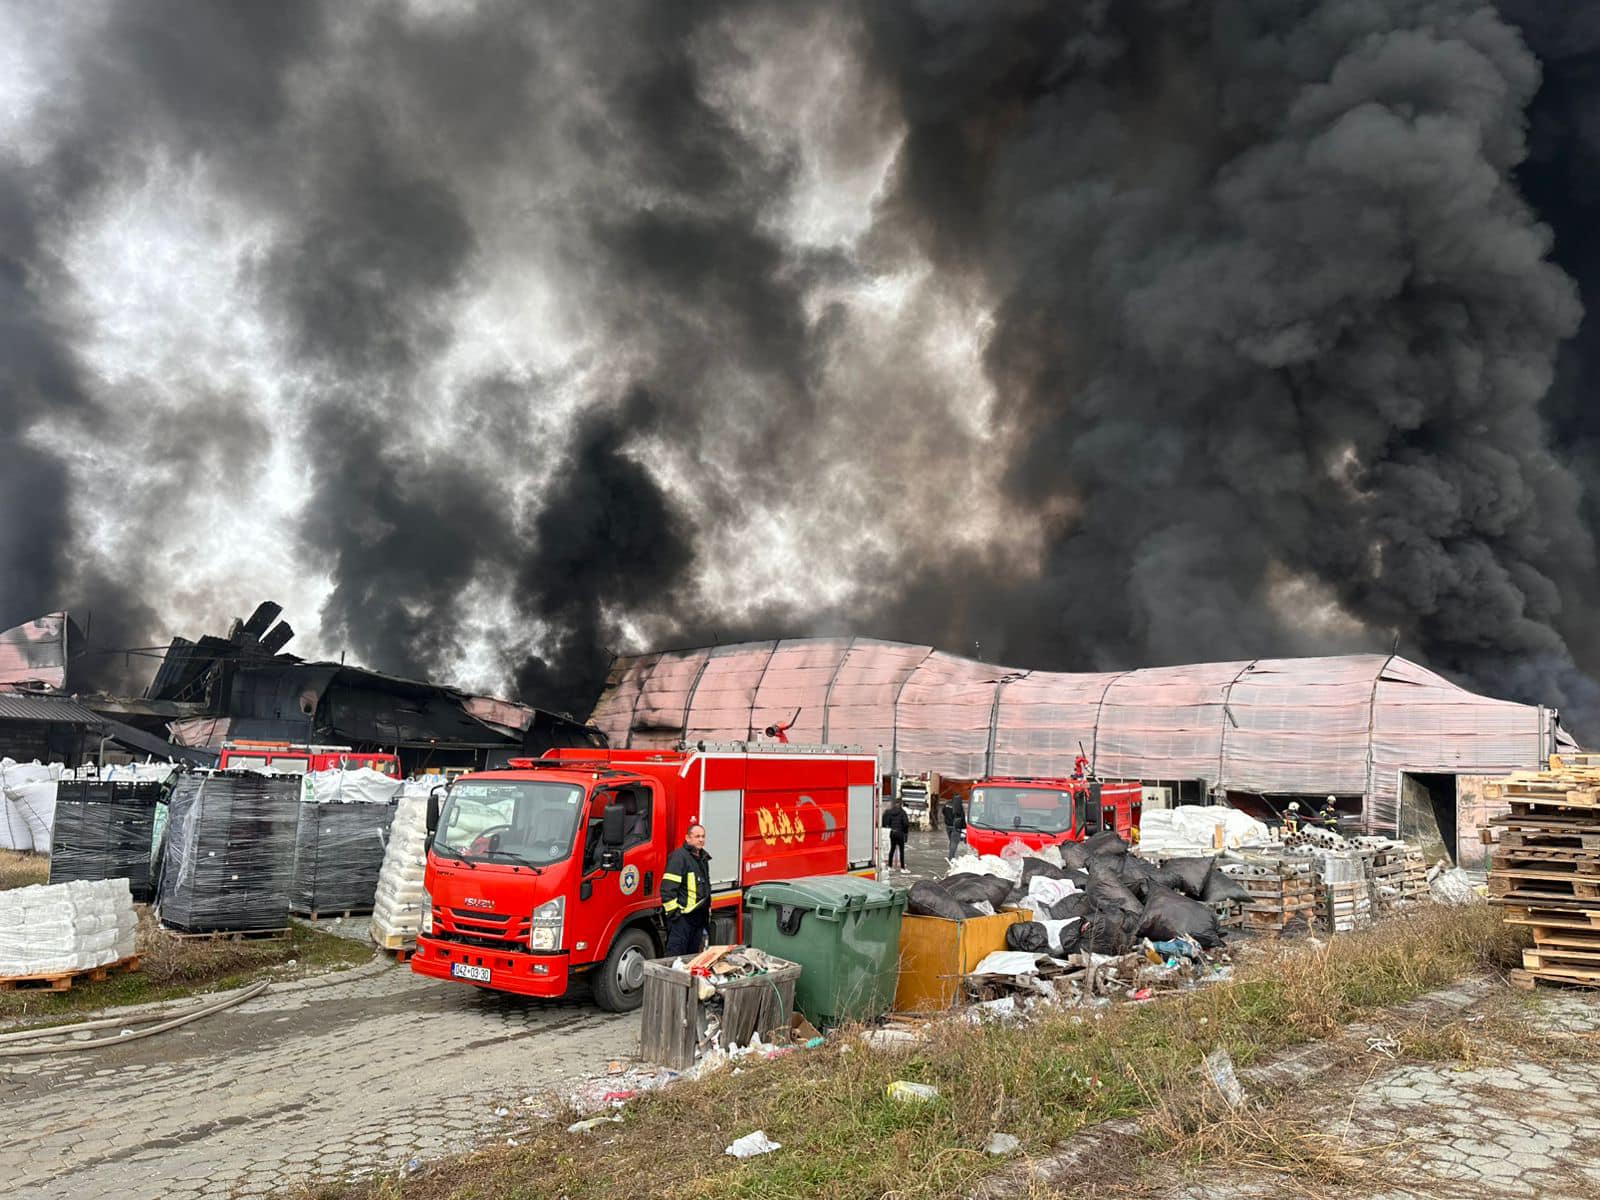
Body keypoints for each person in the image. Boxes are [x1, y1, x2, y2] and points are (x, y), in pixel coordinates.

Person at [662, 824, 712, 956]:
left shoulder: (702, 858)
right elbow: (668, 889)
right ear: (687, 838)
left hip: (698, 919)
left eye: (703, 836)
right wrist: (675, 915)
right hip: (683, 920)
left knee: (692, 958)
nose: (701, 840)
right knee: (675, 959)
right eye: (697, 836)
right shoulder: (679, 857)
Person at [882, 797, 909, 871]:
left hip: (892, 832)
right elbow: (906, 823)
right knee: (901, 850)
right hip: (900, 833)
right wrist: (905, 832)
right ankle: (902, 868)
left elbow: (885, 822)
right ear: (901, 804)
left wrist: (890, 826)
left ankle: (890, 866)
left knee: (892, 849)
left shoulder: (889, 812)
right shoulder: (903, 812)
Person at [942, 793, 966, 859]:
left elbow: (943, 812)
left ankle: (950, 856)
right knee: (954, 843)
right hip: (956, 827)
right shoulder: (959, 806)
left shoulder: (947, 804)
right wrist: (964, 828)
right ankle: (951, 858)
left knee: (951, 841)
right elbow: (962, 818)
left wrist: (947, 819)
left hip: (948, 826)